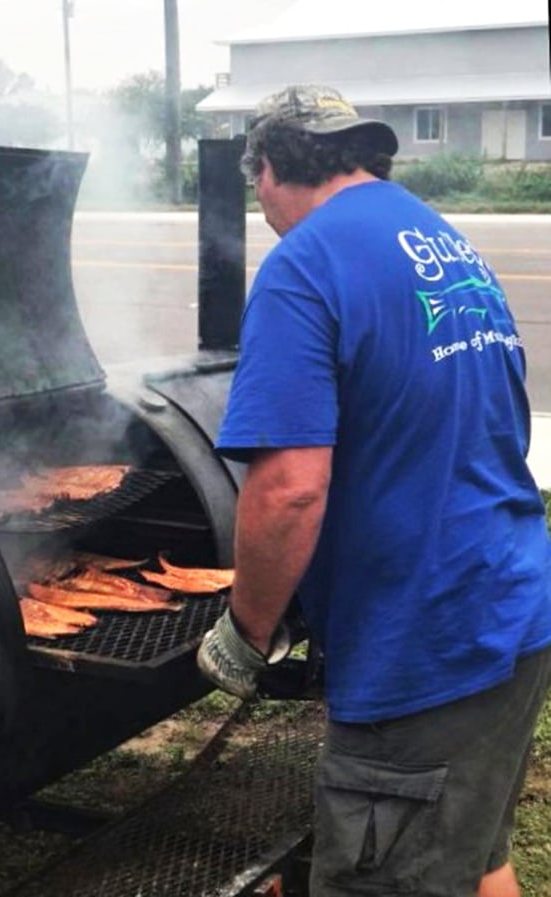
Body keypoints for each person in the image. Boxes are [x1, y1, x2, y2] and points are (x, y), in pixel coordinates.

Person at [196, 84, 551, 897]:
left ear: (269, 168)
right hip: (512, 607)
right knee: (475, 856)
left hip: (424, 641)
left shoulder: (304, 264)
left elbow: (289, 490)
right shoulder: (439, 238)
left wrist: (246, 632)